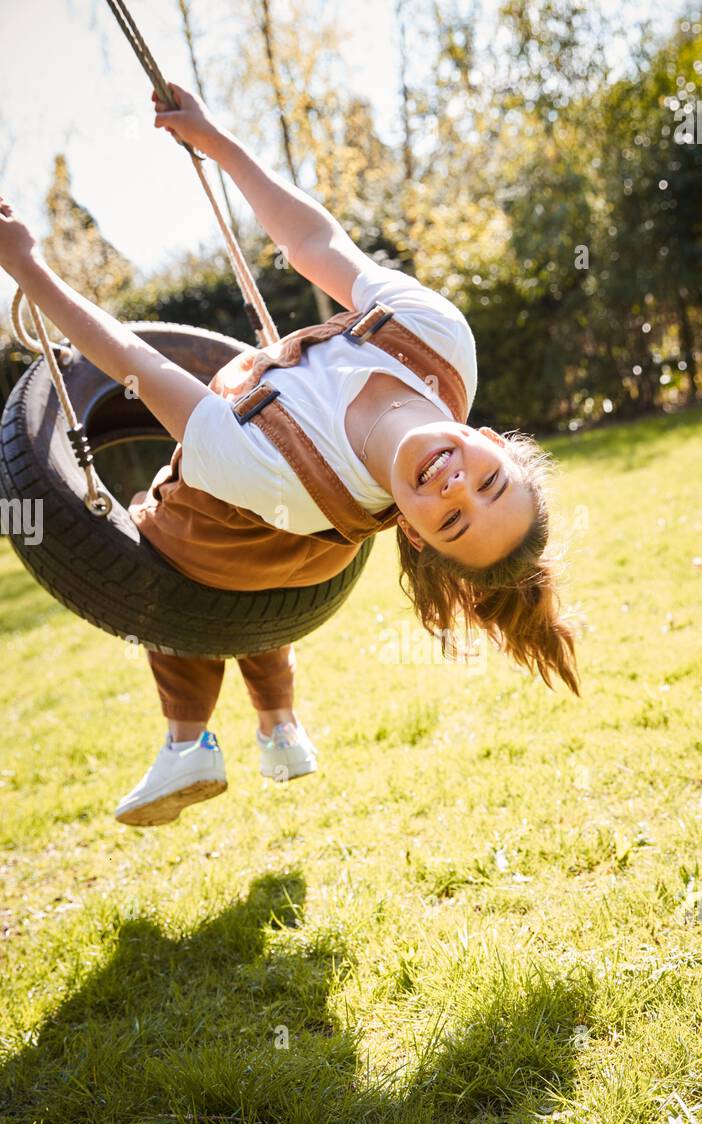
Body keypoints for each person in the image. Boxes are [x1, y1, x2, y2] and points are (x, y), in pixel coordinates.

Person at [0, 83, 579, 829]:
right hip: (312, 565)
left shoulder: (262, 463)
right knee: (258, 616)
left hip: (238, 522)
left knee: (166, 582)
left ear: (413, 531)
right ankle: (280, 727)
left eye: (454, 521)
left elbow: (139, 367)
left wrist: (29, 271)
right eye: (490, 481)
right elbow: (317, 244)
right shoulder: (437, 341)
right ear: (492, 440)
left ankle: (188, 743)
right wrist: (215, 141)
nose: (456, 485)